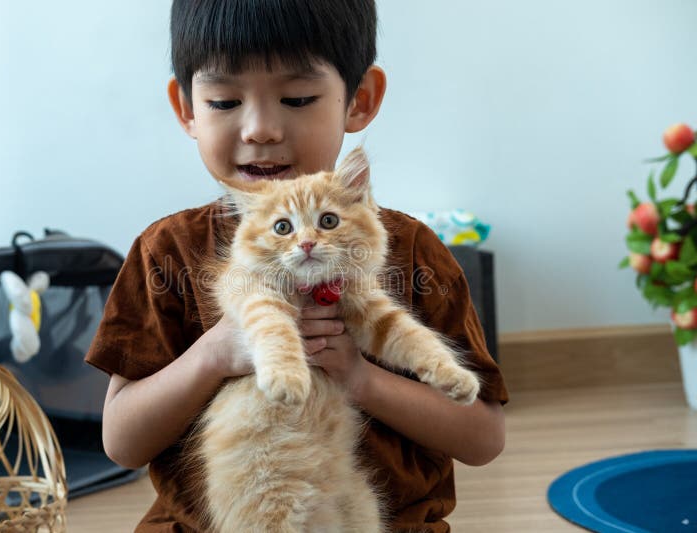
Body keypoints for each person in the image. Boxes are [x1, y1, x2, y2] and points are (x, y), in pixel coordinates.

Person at [85, 1, 509, 531]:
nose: (260, 129)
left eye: (297, 98)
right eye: (224, 101)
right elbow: (122, 443)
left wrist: (359, 376)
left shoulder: (415, 252)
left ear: (360, 100)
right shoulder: (166, 252)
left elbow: (484, 440)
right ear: (187, 108)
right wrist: (217, 353)